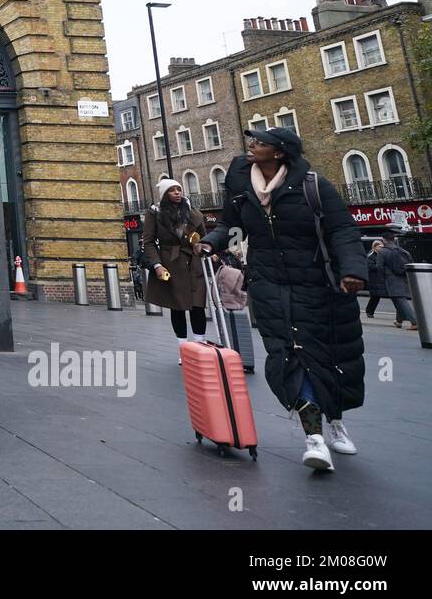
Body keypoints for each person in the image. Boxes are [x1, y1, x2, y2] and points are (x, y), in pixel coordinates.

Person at [201, 127, 367, 473]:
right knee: (289, 356)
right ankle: (314, 438)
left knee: (327, 357)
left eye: (260, 142)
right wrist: (211, 241)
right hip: (269, 286)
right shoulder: (242, 189)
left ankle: (335, 421)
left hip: (317, 285)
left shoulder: (312, 186)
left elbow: (342, 229)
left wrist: (352, 270)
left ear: (279, 153)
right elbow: (231, 226)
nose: (252, 145)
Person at [142, 178, 207, 364]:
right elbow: (148, 242)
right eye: (172, 190)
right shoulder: (155, 213)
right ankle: (183, 350)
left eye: (179, 189)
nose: (177, 192)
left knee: (198, 305)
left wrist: (208, 249)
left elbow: (204, 237)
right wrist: (157, 265)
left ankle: (200, 347)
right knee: (177, 307)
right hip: (171, 263)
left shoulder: (192, 212)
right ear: (165, 194)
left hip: (193, 262)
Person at [376, 231, 420, 329]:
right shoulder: (403, 251)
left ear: (384, 240)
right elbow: (410, 263)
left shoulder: (382, 252)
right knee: (398, 300)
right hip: (403, 277)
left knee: (400, 300)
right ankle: (399, 321)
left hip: (391, 279)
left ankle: (415, 322)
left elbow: (379, 267)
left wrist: (383, 277)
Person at [364, 239, 385, 318]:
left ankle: (370, 311)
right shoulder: (370, 256)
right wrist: (379, 266)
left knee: (376, 296)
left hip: (379, 279)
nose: (381, 248)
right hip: (373, 279)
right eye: (380, 247)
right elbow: (370, 267)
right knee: (375, 296)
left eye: (382, 247)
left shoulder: (381, 255)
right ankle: (369, 311)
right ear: (375, 247)